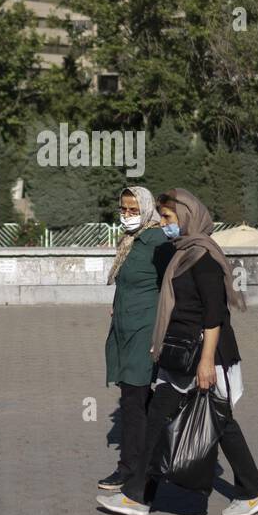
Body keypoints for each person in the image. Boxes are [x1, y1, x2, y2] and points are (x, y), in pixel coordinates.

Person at [97, 188, 258, 515]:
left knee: (220, 424)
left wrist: (206, 362)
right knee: (162, 421)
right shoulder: (182, 252)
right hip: (180, 352)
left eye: (168, 218)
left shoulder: (202, 257)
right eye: (161, 217)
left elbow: (213, 314)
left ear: (186, 218)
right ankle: (138, 496)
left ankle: (252, 492)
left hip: (205, 355)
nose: (163, 224)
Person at [99, 186, 174, 493]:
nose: (127, 215)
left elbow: (171, 287)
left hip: (145, 332)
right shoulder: (130, 240)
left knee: (134, 398)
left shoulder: (157, 241)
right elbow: (128, 281)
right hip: (125, 329)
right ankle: (151, 464)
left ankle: (131, 469)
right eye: (123, 209)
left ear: (145, 209)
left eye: (133, 210)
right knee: (137, 399)